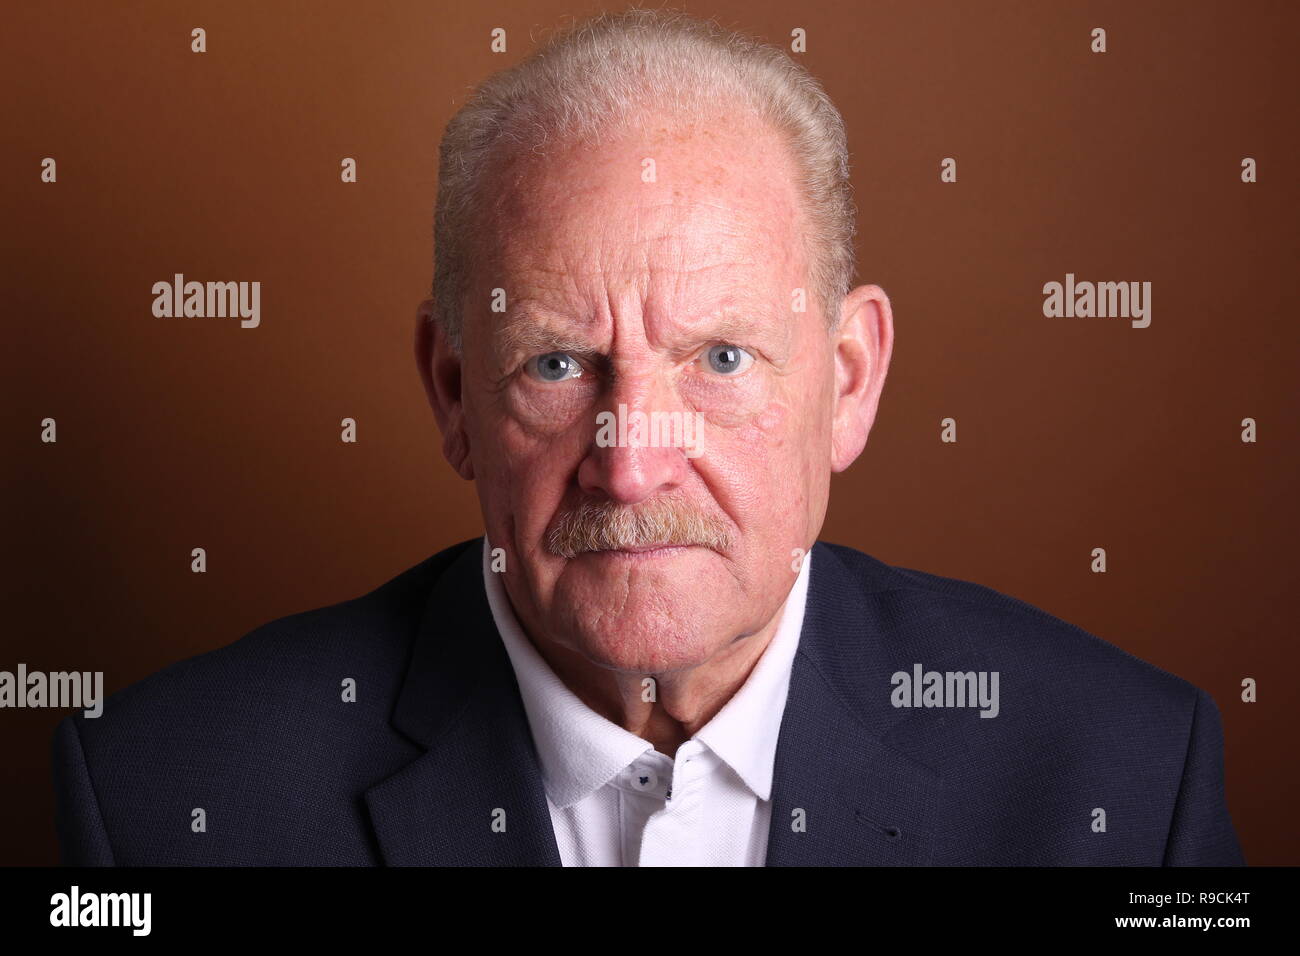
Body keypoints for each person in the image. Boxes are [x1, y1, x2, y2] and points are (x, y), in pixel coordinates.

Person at [52, 8, 1243, 866]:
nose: (631, 462)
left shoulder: (1124, 779)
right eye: (557, 365)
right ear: (453, 392)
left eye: (721, 360)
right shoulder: (164, 801)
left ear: (849, 378)